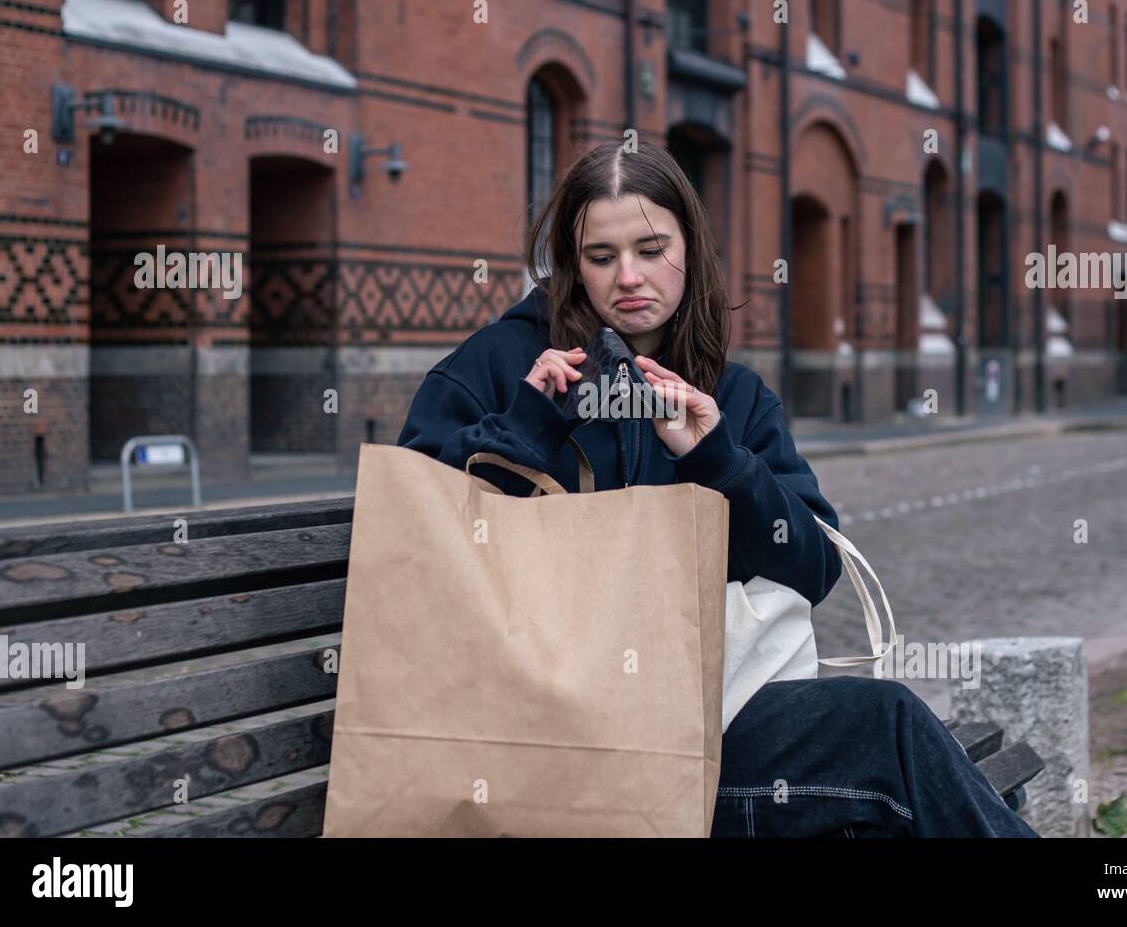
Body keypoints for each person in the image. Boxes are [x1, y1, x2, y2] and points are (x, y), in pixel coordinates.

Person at [397, 140, 1038, 838]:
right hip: (544, 754)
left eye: (651, 249)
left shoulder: (732, 393)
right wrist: (526, 427)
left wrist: (717, 458)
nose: (628, 277)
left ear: (690, 250)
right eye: (601, 256)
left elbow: (814, 566)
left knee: (885, 722)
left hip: (693, 737)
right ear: (571, 263)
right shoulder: (498, 365)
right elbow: (413, 532)